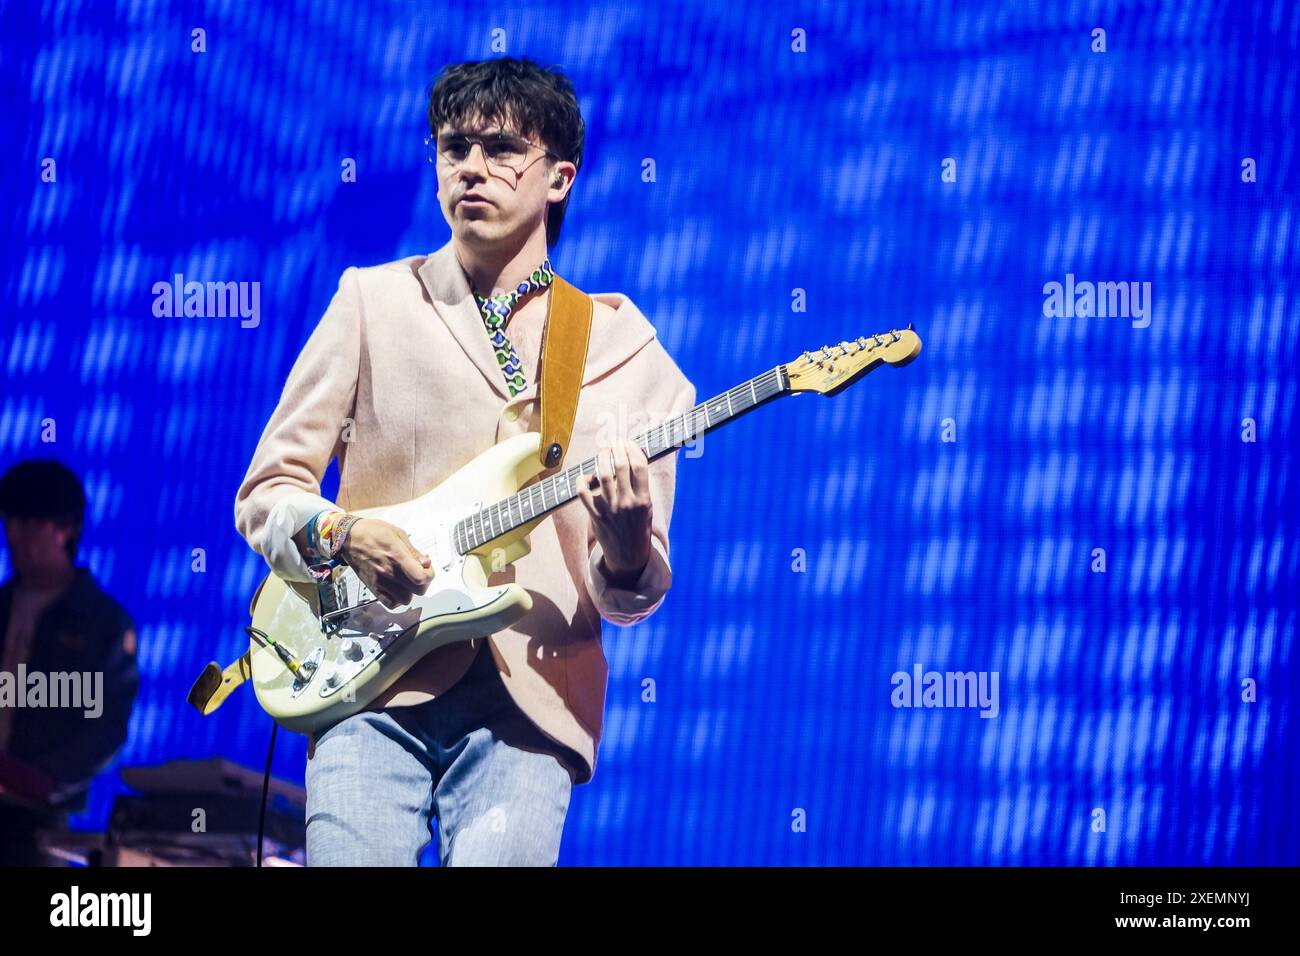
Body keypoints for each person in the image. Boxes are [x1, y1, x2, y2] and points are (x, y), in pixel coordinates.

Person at [233, 56, 696, 866]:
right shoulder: (372, 301)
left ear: (560, 177)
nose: (471, 168)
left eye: (500, 148)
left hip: (535, 697)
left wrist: (624, 545)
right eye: (454, 148)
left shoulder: (631, 354)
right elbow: (268, 492)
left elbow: (632, 593)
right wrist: (344, 534)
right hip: (370, 679)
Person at [0, 458, 139, 866]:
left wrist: (41, 779)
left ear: (68, 528)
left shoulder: (103, 621)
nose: (14, 535)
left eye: (30, 523)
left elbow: (108, 725)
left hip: (39, 821)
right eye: (10, 521)